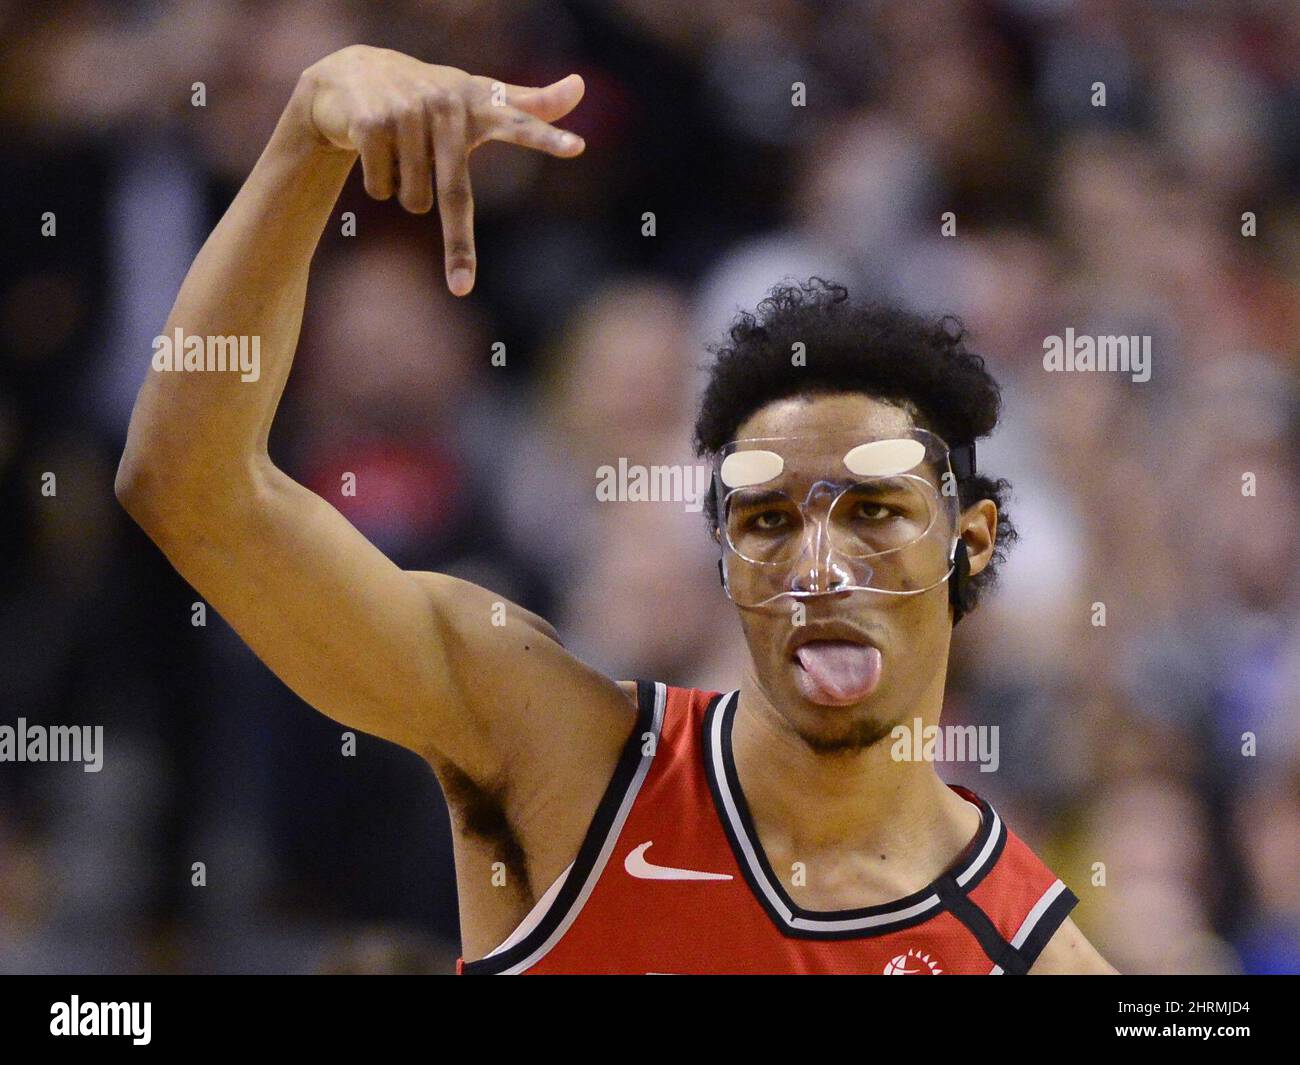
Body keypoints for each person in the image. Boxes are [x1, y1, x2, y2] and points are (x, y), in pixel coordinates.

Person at [116, 45, 1116, 974]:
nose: (819, 564)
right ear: (721, 558)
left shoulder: (1029, 950)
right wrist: (308, 135)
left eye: (872, 510)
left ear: (969, 543)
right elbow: (189, 488)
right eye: (767, 519)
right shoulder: (561, 751)